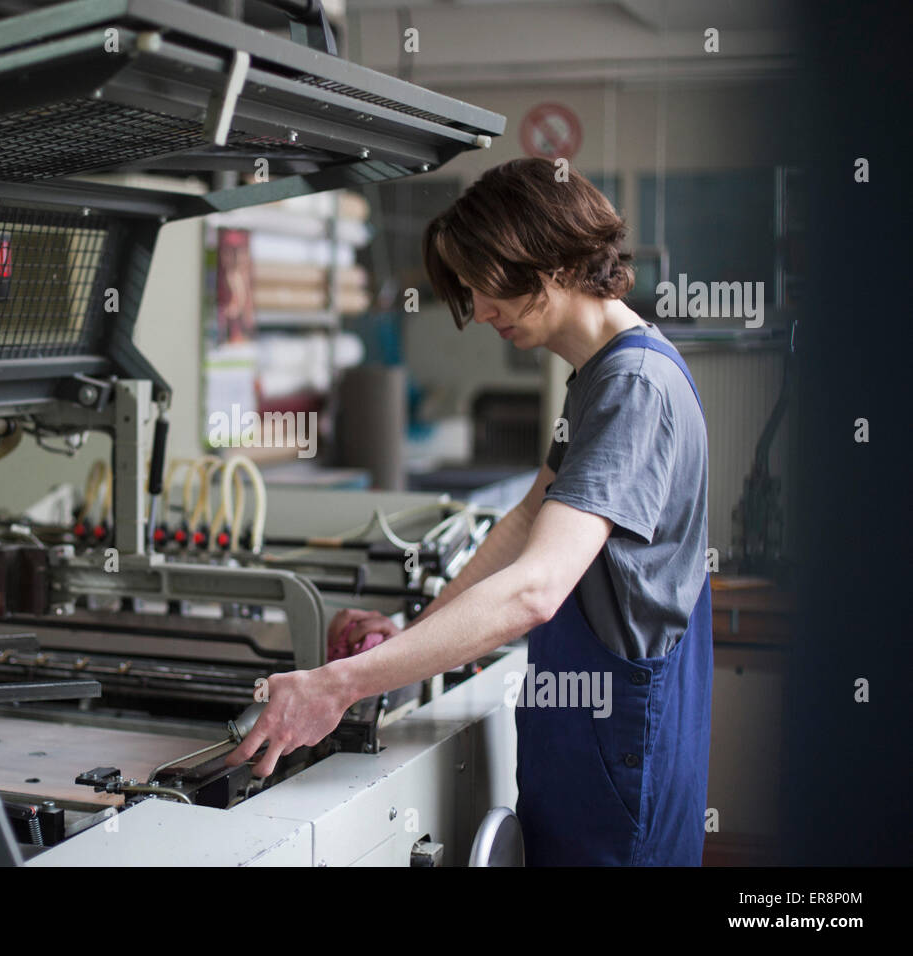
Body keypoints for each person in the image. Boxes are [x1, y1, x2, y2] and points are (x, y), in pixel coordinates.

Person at [224, 157, 713, 866]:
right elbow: (523, 522)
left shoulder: (632, 386)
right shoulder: (599, 376)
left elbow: (537, 587)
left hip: (620, 747)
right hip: (590, 739)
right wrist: (410, 644)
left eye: (485, 286)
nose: (480, 312)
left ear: (545, 258)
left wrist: (340, 685)